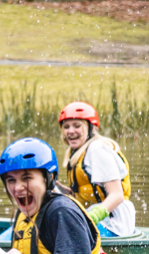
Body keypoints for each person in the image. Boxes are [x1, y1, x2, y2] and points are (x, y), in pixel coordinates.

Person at [58, 101, 136, 237]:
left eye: (77, 126)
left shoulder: (97, 149)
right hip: (98, 219)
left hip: (114, 224)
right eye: (66, 127)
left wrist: (92, 217)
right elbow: (88, 193)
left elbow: (117, 195)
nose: (70, 131)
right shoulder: (76, 154)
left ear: (92, 128)